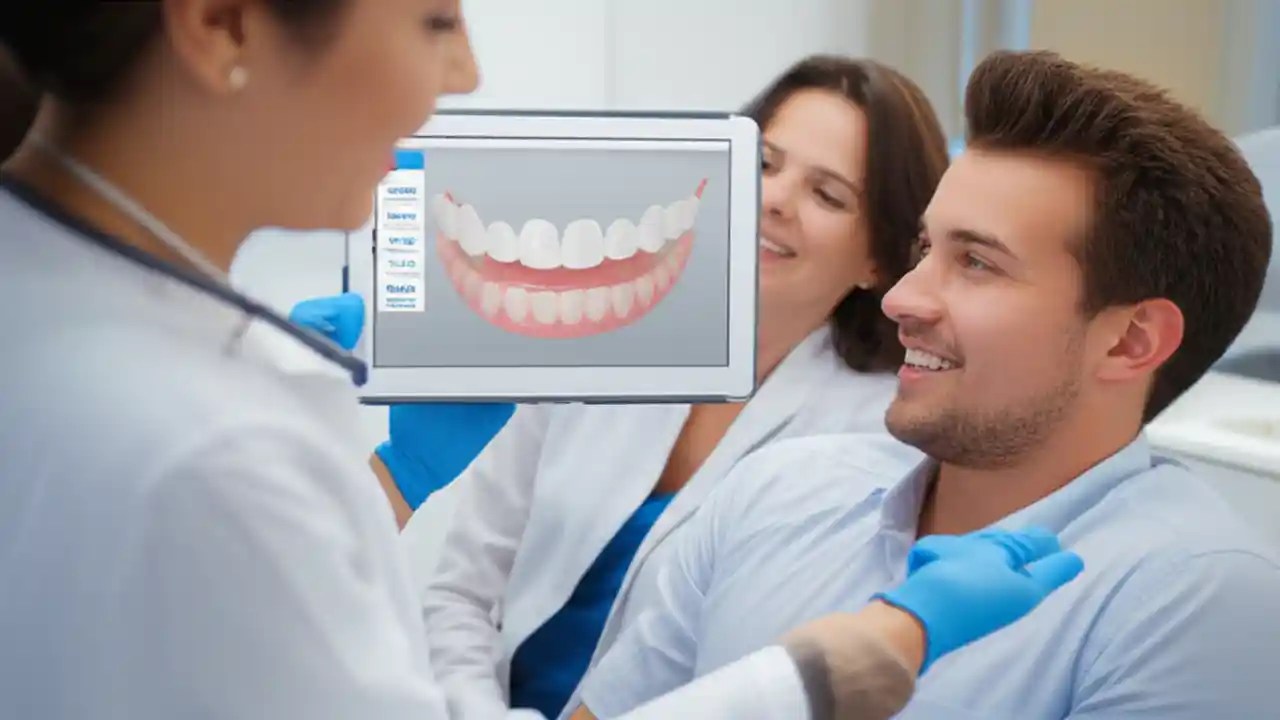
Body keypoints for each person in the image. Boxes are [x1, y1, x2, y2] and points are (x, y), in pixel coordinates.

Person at [0, 3, 1084, 719]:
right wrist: (818, 675)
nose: (464, 69)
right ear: (222, 22)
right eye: (432, 17)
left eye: (827, 193)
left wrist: (383, 481)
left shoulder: (88, 330)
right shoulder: (209, 443)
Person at [570, 50, 1280, 720]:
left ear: (1130, 341)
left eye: (976, 263)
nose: (900, 299)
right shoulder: (775, 491)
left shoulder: (1198, 602)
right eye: (924, 249)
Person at [291, 54, 953, 720]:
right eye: (763, 164)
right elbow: (463, 594)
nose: (776, 198)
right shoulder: (591, 330)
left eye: (828, 194)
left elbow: (767, 675)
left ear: (877, 257)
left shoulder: (874, 441)